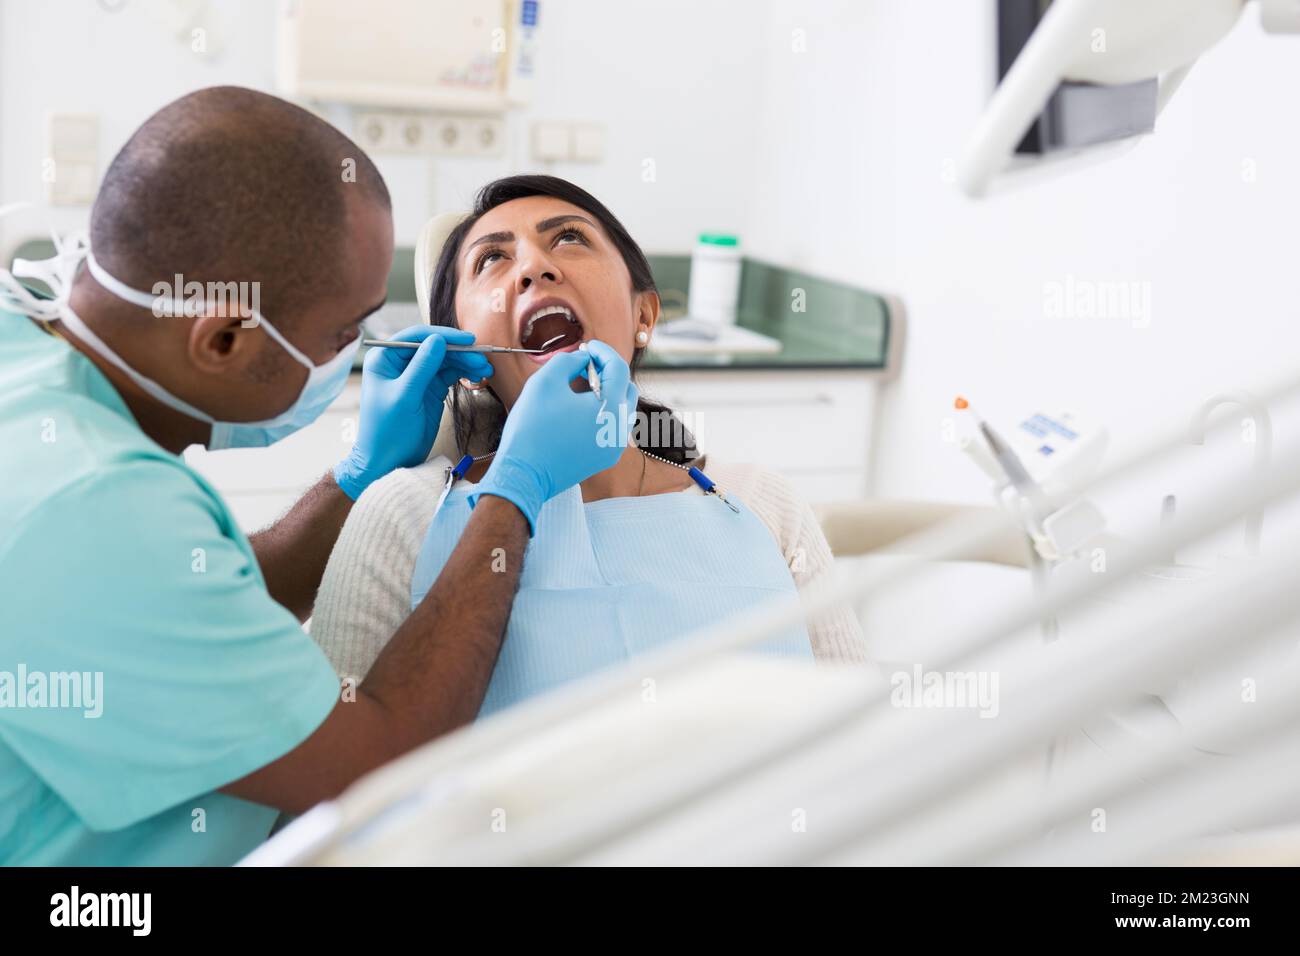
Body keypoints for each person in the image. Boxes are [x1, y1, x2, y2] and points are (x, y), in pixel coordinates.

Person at [0, 90, 635, 865]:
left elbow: (186, 604)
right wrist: (517, 486)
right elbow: (379, 761)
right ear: (226, 338)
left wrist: (358, 473)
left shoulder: (26, 355)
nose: (352, 356)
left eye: (567, 241)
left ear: (646, 311)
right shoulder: (94, 506)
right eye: (340, 335)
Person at [312, 176, 867, 717]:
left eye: (569, 238)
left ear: (644, 316)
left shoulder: (766, 504)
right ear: (465, 352)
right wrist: (364, 473)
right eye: (492, 260)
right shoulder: (403, 515)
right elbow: (337, 779)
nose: (533, 266)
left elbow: (856, 738)